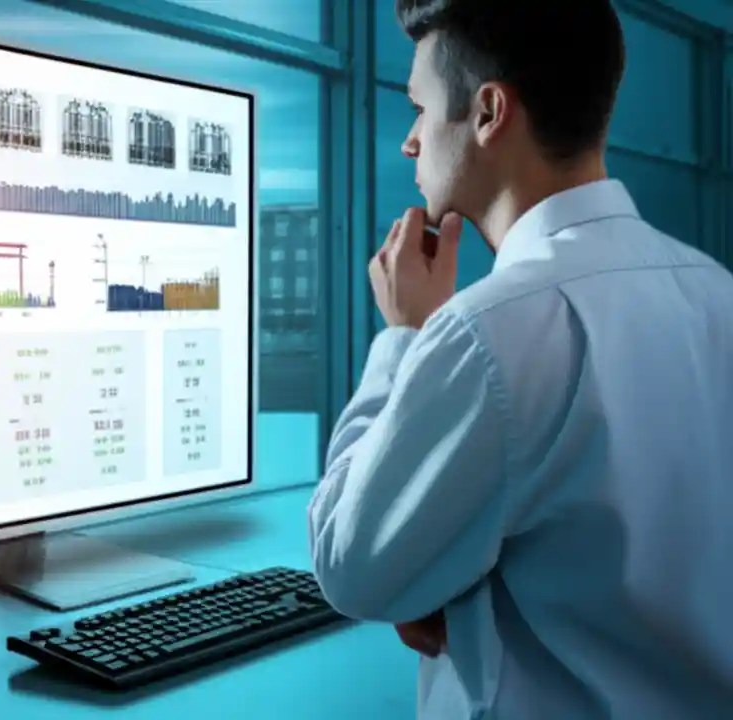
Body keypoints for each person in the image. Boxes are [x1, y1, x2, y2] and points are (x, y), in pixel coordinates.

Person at [306, 0, 733, 717]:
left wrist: (405, 335)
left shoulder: (487, 333)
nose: (410, 142)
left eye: (419, 108)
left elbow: (351, 567)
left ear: (488, 112)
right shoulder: (716, 292)